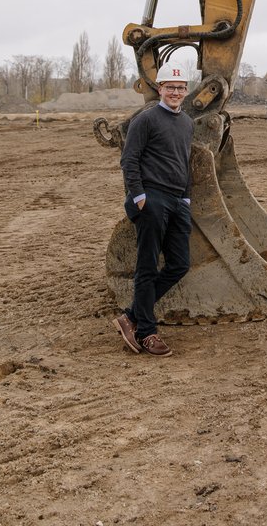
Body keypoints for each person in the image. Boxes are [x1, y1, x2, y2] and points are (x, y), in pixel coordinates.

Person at [112, 62, 194, 357]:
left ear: (186, 91)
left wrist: (185, 199)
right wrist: (140, 198)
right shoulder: (146, 120)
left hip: (177, 202)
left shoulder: (187, 123)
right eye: (169, 87)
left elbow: (184, 163)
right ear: (160, 89)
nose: (175, 92)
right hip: (152, 200)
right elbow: (129, 160)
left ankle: (131, 316)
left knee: (180, 264)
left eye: (180, 87)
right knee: (146, 267)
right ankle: (146, 332)